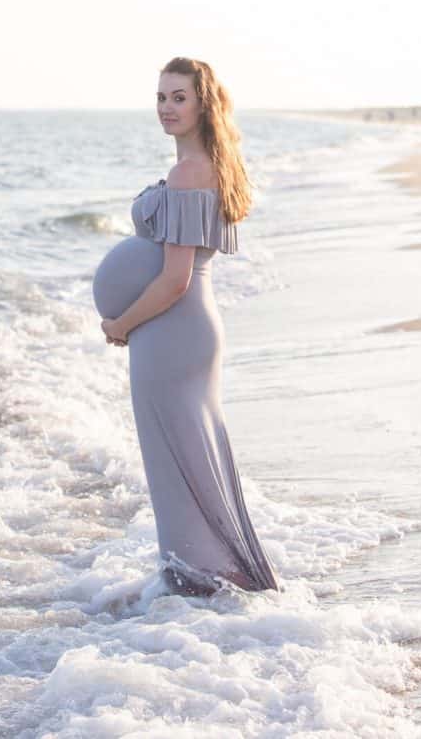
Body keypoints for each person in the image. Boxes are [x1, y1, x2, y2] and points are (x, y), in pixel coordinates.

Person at [91, 56, 281, 596]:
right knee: (192, 468)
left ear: (204, 104)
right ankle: (215, 591)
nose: (167, 108)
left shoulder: (190, 171)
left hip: (171, 333)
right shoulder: (204, 165)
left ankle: (201, 593)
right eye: (161, 97)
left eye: (179, 97)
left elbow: (175, 279)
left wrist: (122, 324)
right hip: (184, 332)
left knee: (178, 474)